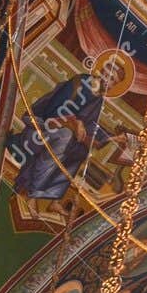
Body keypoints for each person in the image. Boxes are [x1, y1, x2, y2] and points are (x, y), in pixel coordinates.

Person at [11, 71, 109, 202]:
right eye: (108, 74)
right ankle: (31, 189)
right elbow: (50, 115)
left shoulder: (97, 100)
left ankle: (51, 197)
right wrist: (72, 122)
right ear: (101, 72)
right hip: (38, 128)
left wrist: (111, 138)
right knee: (65, 137)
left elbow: (90, 127)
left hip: (58, 133)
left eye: (113, 80)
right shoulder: (78, 83)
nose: (108, 80)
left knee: (80, 151)